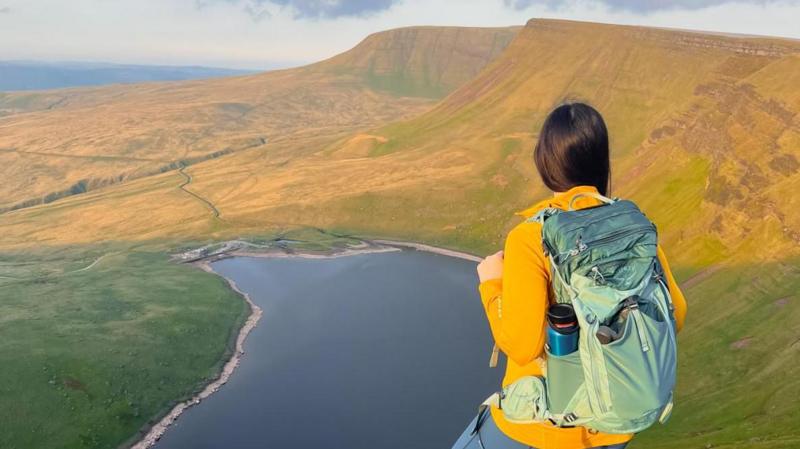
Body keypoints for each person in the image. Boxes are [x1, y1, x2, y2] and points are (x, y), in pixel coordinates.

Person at [453, 102, 688, 449]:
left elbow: (522, 346)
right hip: (614, 427)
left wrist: (492, 283)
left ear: (545, 163)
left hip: (540, 429)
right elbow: (675, 314)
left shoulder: (531, 237)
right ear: (601, 161)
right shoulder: (634, 227)